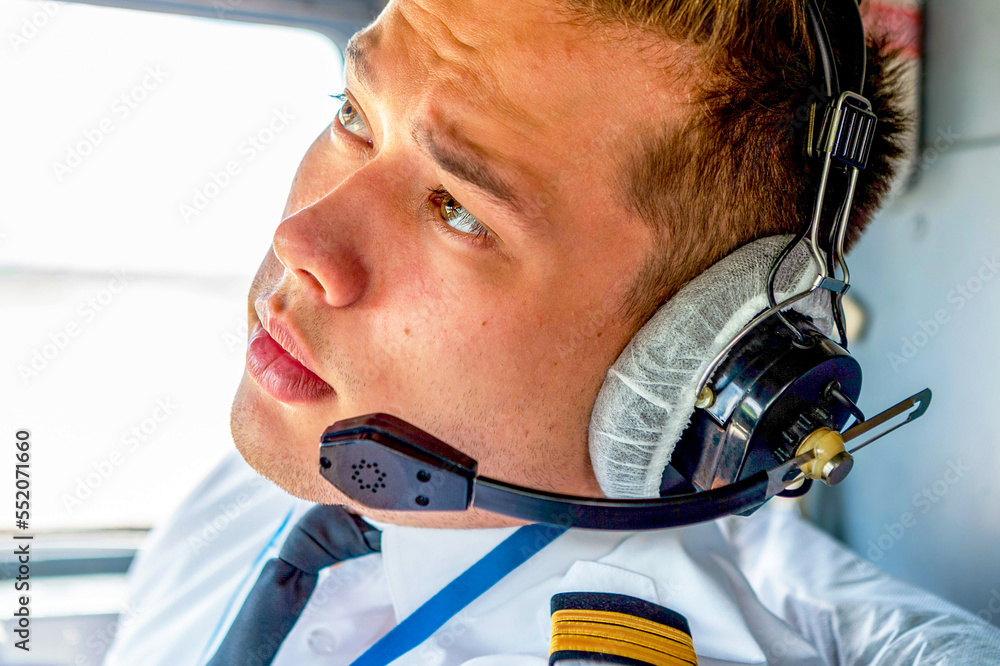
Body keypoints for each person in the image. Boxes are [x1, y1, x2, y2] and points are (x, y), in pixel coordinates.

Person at [104, 0, 1000, 663]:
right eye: (353, 117)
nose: (299, 242)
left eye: (456, 211)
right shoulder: (250, 499)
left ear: (689, 349)